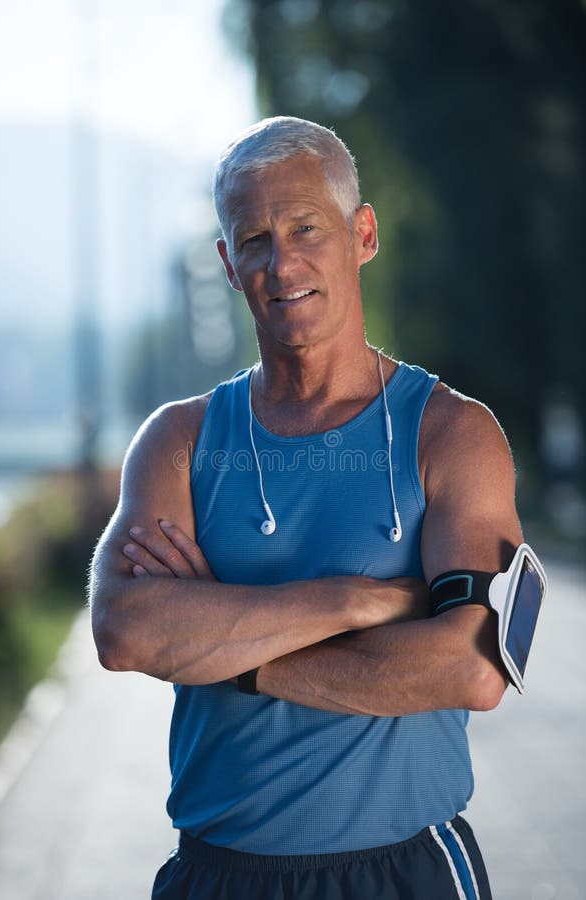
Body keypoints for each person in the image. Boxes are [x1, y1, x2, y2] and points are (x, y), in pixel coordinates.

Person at [90, 116, 524, 899]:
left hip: (405, 870)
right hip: (216, 874)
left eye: (304, 228)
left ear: (362, 234)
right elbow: (126, 632)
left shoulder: (452, 434)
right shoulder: (180, 442)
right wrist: (362, 602)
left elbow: (471, 665)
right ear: (228, 263)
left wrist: (226, 649)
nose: (280, 261)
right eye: (253, 238)